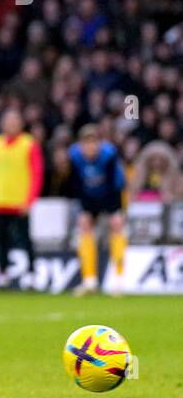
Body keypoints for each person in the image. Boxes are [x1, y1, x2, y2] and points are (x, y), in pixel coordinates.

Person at [0, 109, 43, 288]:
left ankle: (31, 274)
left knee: (25, 239)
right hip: (0, 201)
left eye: (14, 121)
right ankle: (2, 274)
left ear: (21, 124)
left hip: (20, 202)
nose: (11, 124)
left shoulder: (29, 144)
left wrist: (30, 200)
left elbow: (36, 173)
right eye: (8, 121)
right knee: (1, 241)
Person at [70, 125, 126, 296]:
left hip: (111, 194)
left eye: (93, 142)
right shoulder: (75, 156)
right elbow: (77, 184)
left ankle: (118, 279)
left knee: (116, 225)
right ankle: (89, 280)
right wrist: (85, 209)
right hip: (89, 196)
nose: (90, 147)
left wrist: (111, 211)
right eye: (86, 143)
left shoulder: (108, 155)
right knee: (84, 225)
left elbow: (113, 184)